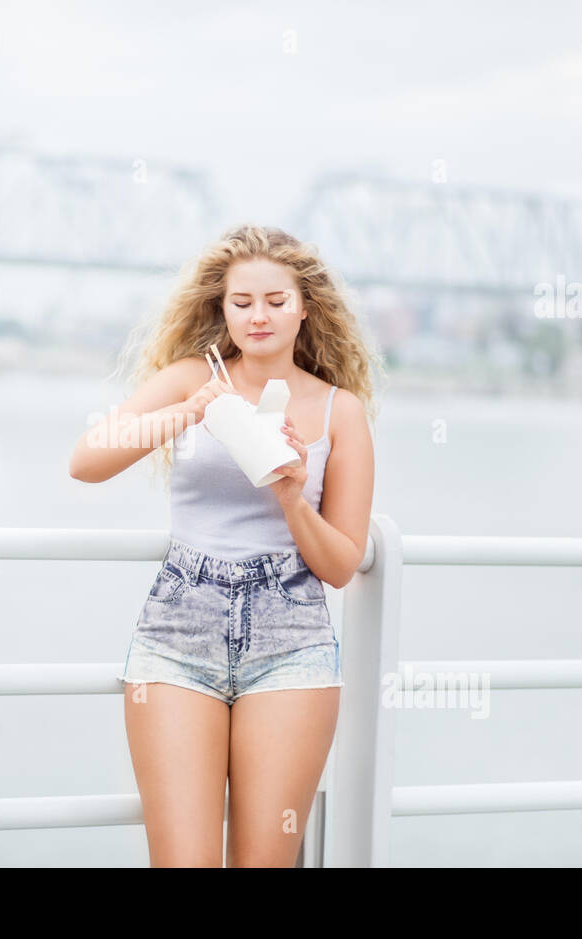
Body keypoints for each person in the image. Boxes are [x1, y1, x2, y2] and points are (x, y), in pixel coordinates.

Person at [69, 224, 380, 866]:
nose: (258, 315)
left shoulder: (339, 410)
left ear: (305, 307)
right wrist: (190, 411)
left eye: (275, 300)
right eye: (241, 303)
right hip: (177, 636)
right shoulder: (190, 378)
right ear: (222, 309)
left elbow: (342, 564)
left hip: (290, 642)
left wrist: (292, 495)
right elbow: (86, 461)